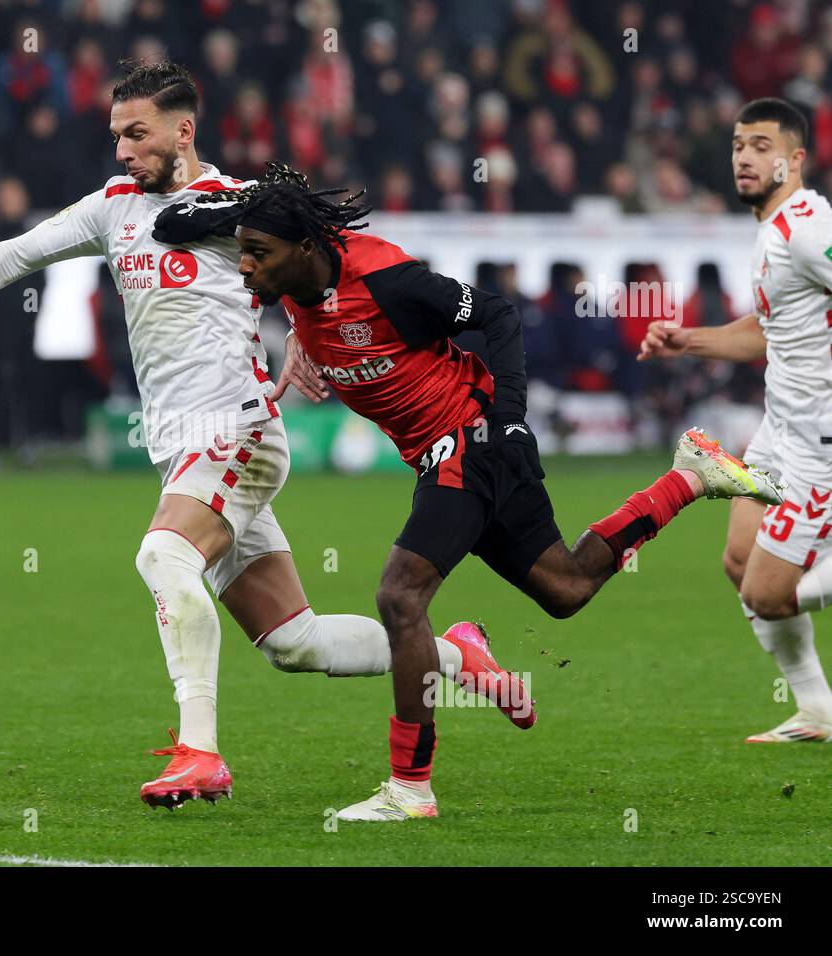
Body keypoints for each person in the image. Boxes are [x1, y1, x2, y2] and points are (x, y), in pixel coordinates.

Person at [0, 61, 531, 810]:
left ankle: (200, 753)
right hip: (182, 452)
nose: (123, 151)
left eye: (137, 135)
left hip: (236, 433)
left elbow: (332, 259)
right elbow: (18, 253)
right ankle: (460, 656)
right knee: (291, 644)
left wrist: (314, 326)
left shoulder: (241, 205)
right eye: (116, 136)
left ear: (183, 131)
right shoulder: (112, 208)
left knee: (162, 556)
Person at [160, 162, 783, 821]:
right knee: (565, 588)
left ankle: (410, 788)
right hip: (450, 452)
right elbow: (173, 225)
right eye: (244, 249)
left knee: (399, 596)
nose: (245, 267)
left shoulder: (387, 280)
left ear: (305, 250)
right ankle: (689, 477)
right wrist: (242, 205)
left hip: (471, 439)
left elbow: (497, 314)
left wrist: (510, 417)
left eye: (257, 254)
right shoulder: (285, 253)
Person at [641, 97, 832, 743]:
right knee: (739, 559)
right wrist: (686, 341)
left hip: (820, 443)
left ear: (795, 158)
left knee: (769, 593)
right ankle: (817, 710)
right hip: (779, 428)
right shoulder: (771, 230)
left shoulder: (808, 229)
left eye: (760, 145)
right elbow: (767, 332)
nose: (745, 157)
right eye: (737, 145)